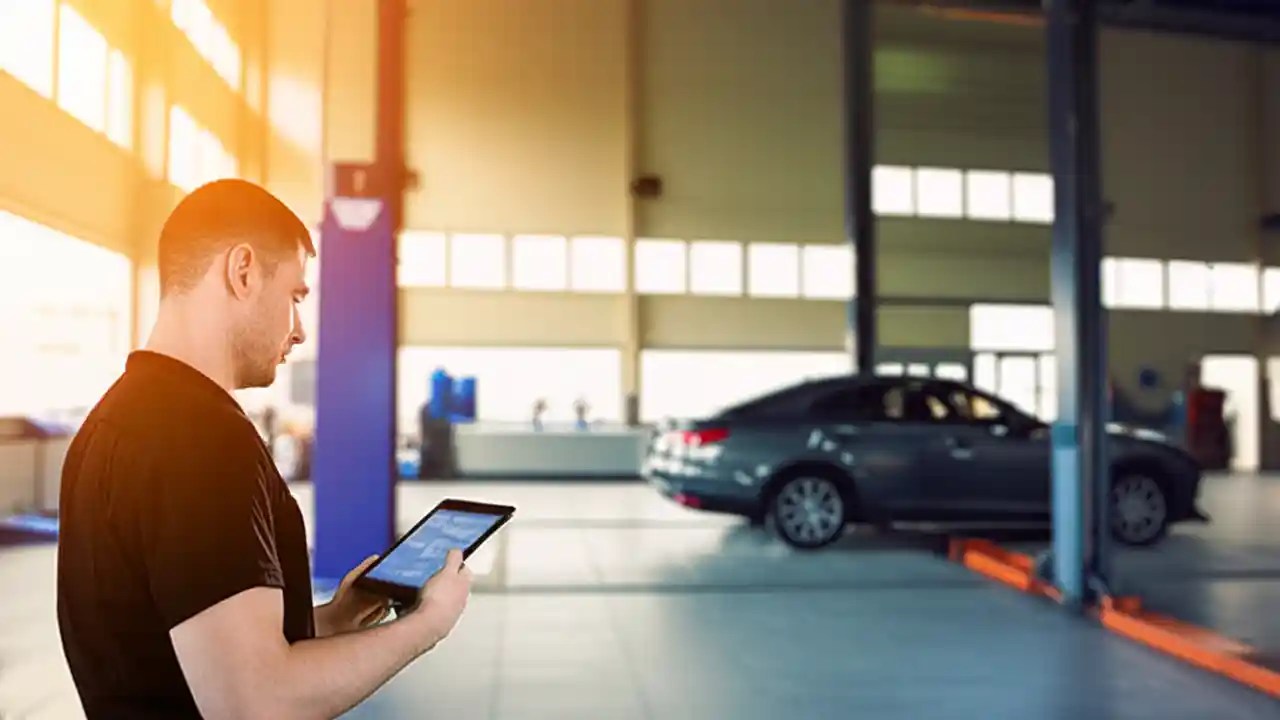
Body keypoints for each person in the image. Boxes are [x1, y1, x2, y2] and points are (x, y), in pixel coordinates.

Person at [56, 179, 472, 719]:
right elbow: (255, 704)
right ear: (243, 272)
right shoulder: (200, 439)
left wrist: (334, 618)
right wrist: (425, 628)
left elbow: (186, 648)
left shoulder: (115, 420)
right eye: (296, 297)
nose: (299, 331)